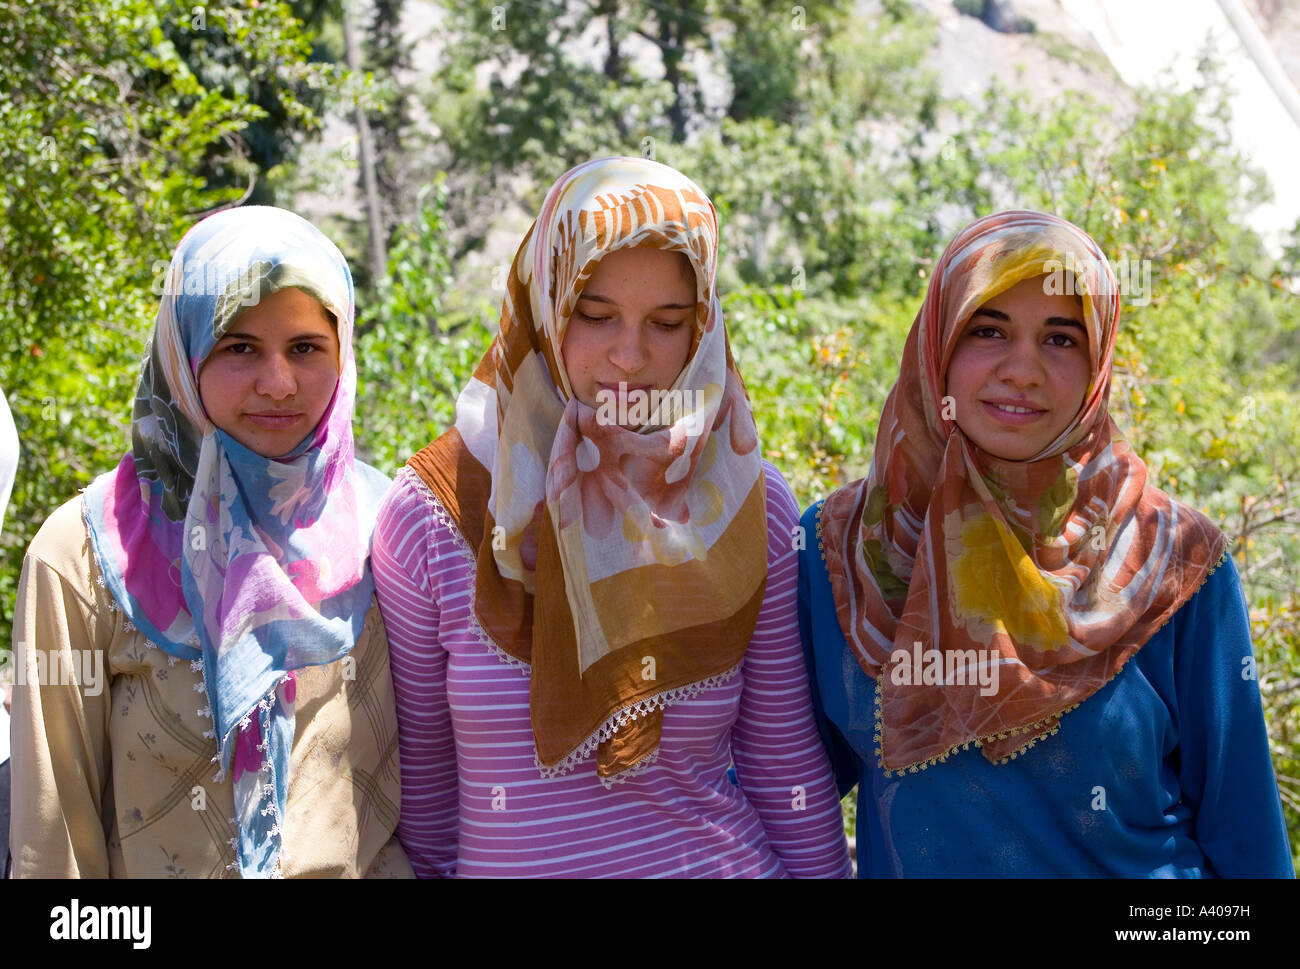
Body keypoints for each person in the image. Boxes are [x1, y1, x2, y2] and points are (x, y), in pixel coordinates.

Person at [373, 155, 852, 878]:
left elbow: (780, 762)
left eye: (667, 323)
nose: (630, 357)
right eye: (593, 316)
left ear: (703, 327)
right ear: (543, 304)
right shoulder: (433, 515)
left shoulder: (748, 500)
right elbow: (428, 809)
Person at [798, 209, 1294, 878]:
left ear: (1097, 362)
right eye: (988, 329)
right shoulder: (847, 549)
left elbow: (1248, 837)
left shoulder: (1171, 557)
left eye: (1060, 338)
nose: (1022, 369)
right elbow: (778, 792)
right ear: (937, 344)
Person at [9, 207, 411, 878]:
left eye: (307, 347)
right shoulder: (85, 554)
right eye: (239, 346)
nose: (278, 382)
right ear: (183, 349)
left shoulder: (393, 530)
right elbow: (54, 851)